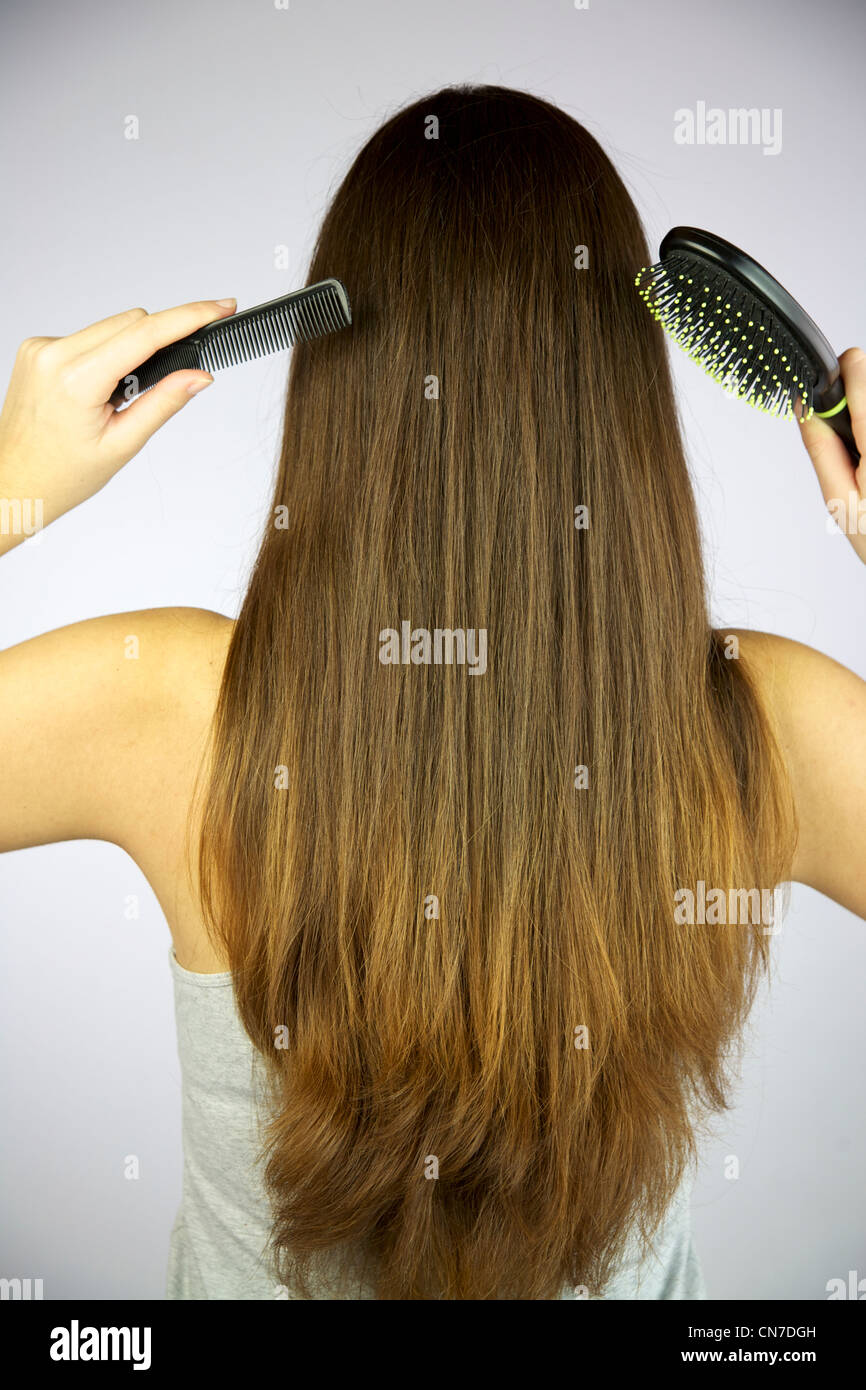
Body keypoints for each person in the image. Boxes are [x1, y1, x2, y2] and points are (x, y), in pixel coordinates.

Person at [1, 84, 864, 1300]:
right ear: (623, 393)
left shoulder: (174, 713)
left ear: (333, 387)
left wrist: (10, 483)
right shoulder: (763, 732)